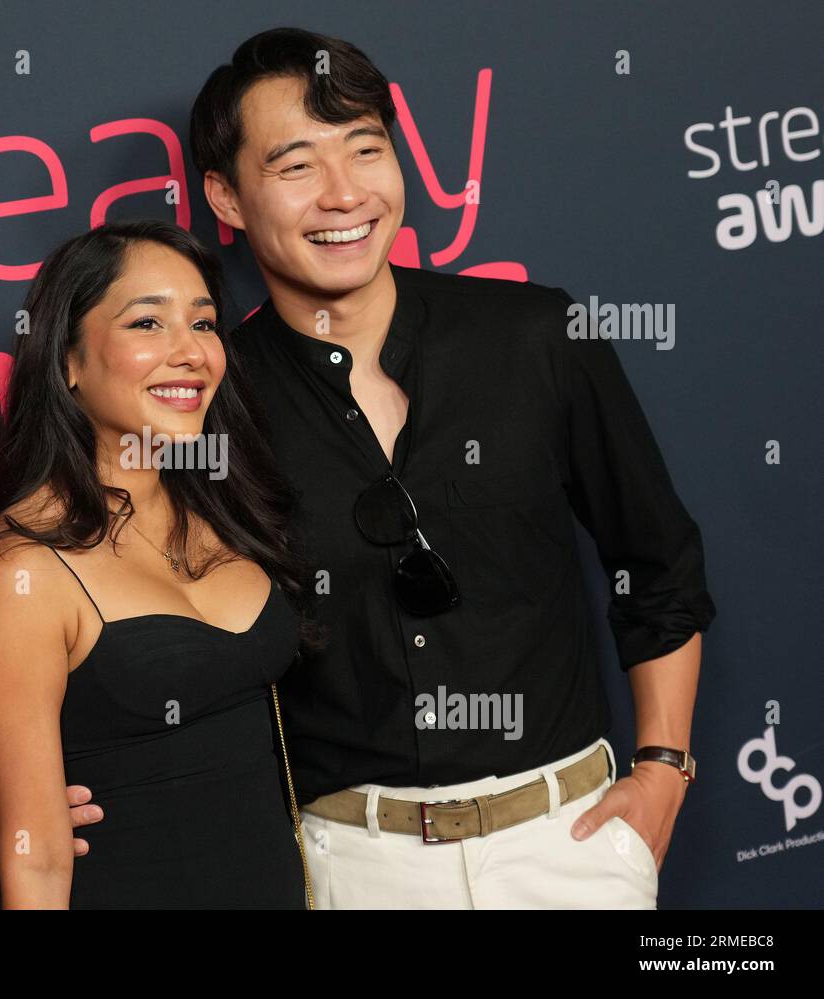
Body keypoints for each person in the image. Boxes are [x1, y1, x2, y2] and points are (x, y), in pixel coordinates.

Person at [65, 27, 716, 909]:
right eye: (295, 164)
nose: (344, 193)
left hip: (576, 847)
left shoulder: (535, 336)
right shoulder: (211, 397)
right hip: (348, 863)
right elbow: (118, 592)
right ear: (225, 195)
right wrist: (82, 781)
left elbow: (659, 564)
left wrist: (665, 768)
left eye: (365, 148)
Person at [0, 219, 320, 908]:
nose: (189, 353)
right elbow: (35, 862)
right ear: (67, 360)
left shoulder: (228, 509)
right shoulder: (22, 576)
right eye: (147, 324)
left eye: (204, 324)